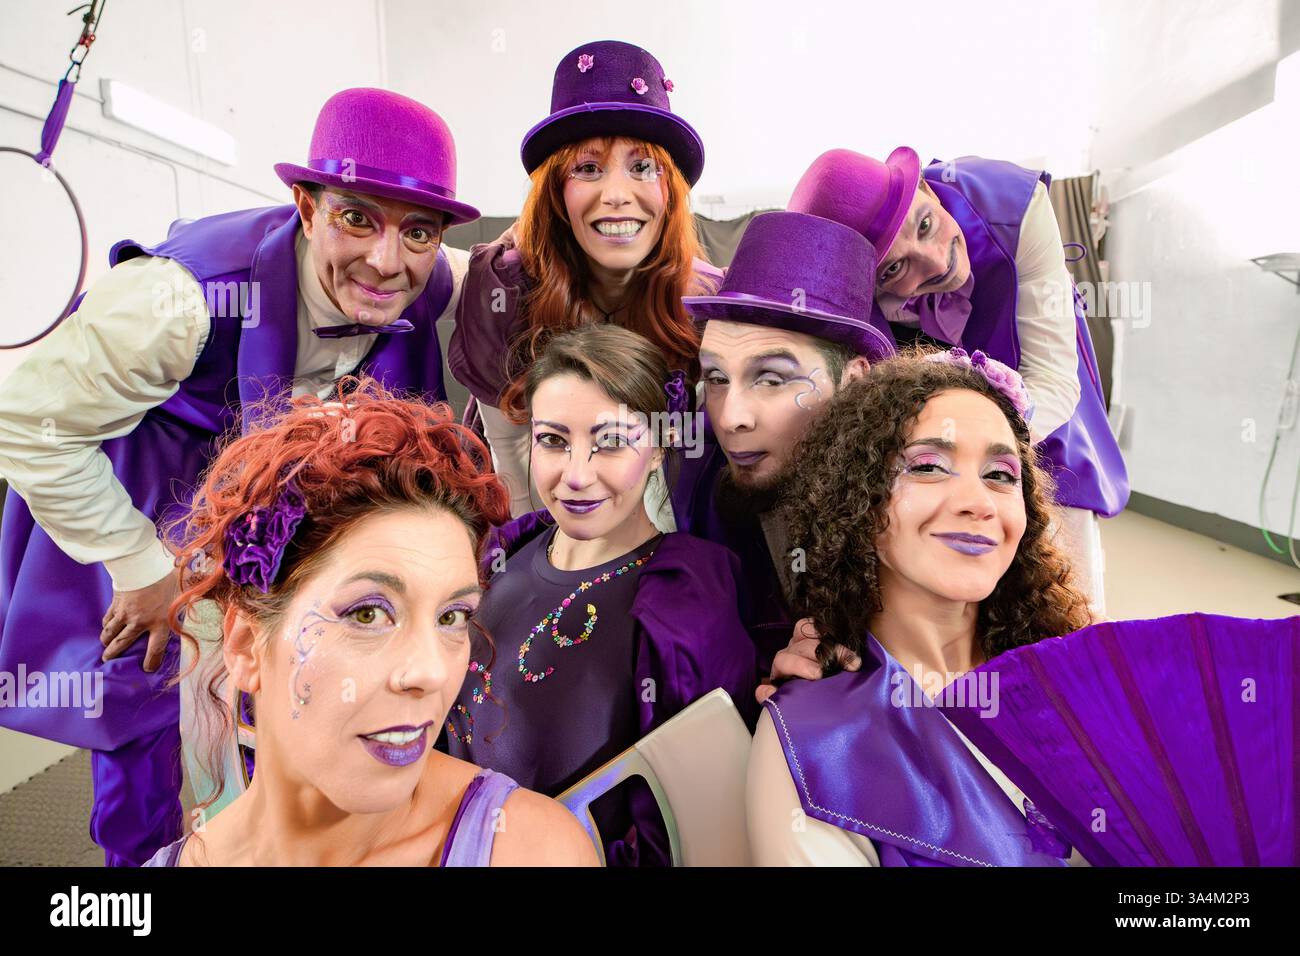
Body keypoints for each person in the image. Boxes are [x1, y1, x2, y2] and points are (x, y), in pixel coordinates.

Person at [0, 88, 477, 866]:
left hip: (263, 525)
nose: (387, 260)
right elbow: (24, 423)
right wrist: (140, 565)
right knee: (136, 733)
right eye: (357, 217)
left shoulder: (425, 275)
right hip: (138, 511)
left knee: (286, 707)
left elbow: (513, 266)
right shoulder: (177, 300)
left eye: (416, 230)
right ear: (306, 204)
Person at [143, 378, 596, 866]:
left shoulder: (529, 852)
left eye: (452, 617)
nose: (431, 673)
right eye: (367, 614)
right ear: (248, 646)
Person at [746, 347, 1095, 866]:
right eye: (929, 466)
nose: (978, 502)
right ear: (857, 500)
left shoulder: (1082, 679)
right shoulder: (810, 746)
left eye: (1000, 475)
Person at [442, 324, 757, 866]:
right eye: (553, 440)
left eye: (611, 441)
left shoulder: (690, 598)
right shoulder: (499, 554)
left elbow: (703, 829)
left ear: (659, 447)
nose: (576, 475)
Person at [788, 147, 1127, 612]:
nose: (934, 261)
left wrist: (992, 463)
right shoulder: (853, 312)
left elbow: (1052, 376)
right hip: (928, 449)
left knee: (1065, 597)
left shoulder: (1015, 207)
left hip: (1042, 418)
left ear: (926, 188)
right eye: (894, 268)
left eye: (925, 225)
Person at [448, 39, 721, 523]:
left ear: (670, 191)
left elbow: (687, 470)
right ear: (557, 191)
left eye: (642, 167)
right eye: (588, 168)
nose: (617, 194)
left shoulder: (706, 303)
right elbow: (510, 451)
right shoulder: (501, 289)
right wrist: (538, 567)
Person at [669, 210, 894, 677]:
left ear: (852, 381)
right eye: (715, 377)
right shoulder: (696, 502)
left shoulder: (915, 511)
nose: (731, 418)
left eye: (771, 378)